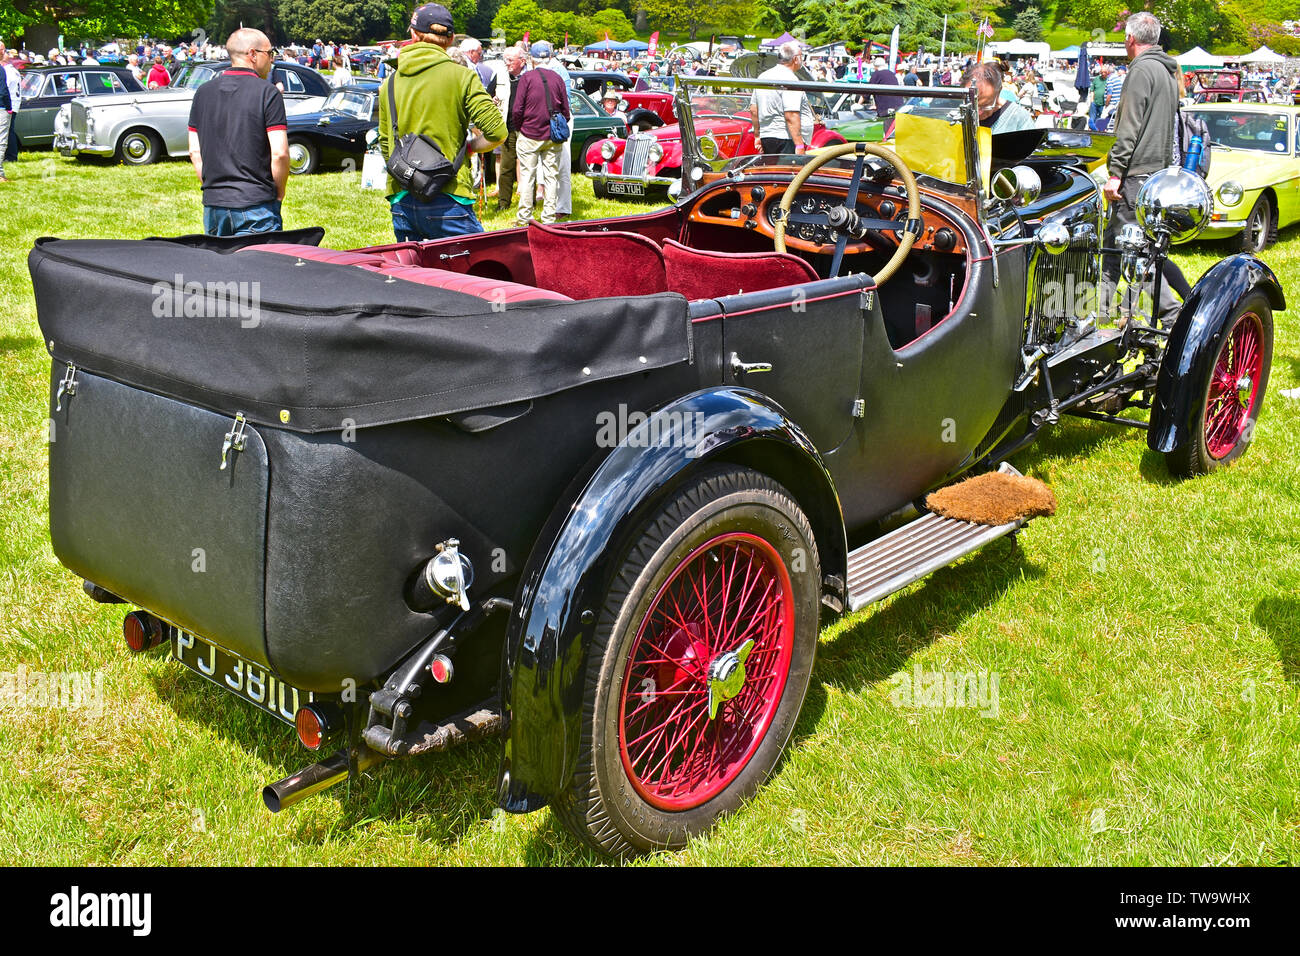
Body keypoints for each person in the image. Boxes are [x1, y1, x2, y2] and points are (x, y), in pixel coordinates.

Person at [378, 3, 505, 240]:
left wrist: (412, 177)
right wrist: (469, 148)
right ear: (451, 39)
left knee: (412, 277)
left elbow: (387, 147)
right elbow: (497, 132)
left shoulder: (390, 83)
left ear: (413, 34)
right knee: (471, 275)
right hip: (450, 197)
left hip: (402, 198)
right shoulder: (463, 77)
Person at [1102, 11, 1183, 323]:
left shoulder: (1141, 71)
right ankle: (1102, 311)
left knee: (1135, 252)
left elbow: (1129, 126)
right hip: (1156, 175)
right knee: (1119, 245)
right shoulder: (1167, 72)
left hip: (1135, 175)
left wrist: (1115, 173)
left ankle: (1172, 314)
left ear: (1130, 39)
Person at [187, 28, 290, 236]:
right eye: (270, 54)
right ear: (253, 54)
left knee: (222, 267)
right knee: (260, 267)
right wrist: (279, 192)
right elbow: (280, 153)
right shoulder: (268, 93)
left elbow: (194, 152)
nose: (272, 60)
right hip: (256, 205)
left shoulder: (203, 93)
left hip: (214, 206)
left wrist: (213, 189)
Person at [511, 41, 570, 226]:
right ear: (550, 57)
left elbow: (517, 109)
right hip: (552, 136)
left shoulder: (527, 78)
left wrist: (521, 127)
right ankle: (549, 217)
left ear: (531, 59)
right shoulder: (557, 78)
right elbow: (566, 112)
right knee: (552, 176)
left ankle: (524, 217)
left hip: (529, 133)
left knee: (528, 176)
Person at [530, 41, 573, 219]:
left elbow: (566, 102)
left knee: (562, 163)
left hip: (558, 120)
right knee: (547, 162)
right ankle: (552, 201)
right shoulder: (554, 68)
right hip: (549, 118)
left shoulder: (559, 70)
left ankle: (563, 206)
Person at [751, 41, 813, 155]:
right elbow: (791, 115)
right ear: (795, 59)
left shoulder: (763, 77)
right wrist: (799, 144)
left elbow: (754, 109)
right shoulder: (790, 79)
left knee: (771, 171)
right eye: (801, 56)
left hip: (767, 137)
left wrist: (757, 136)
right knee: (787, 172)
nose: (802, 60)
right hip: (786, 138)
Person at [495, 45, 527, 212]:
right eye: (505, 59)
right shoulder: (501, 75)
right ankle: (503, 203)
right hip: (507, 128)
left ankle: (529, 203)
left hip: (527, 129)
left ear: (522, 61)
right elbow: (487, 94)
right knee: (506, 167)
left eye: (510, 60)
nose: (506, 63)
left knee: (528, 167)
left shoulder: (530, 76)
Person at [963, 62, 1035, 133]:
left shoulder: (1018, 117)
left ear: (999, 91)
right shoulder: (959, 112)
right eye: (972, 105)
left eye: (985, 106)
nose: (978, 112)